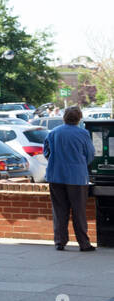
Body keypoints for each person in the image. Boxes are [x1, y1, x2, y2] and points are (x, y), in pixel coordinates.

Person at [43, 106, 96, 251]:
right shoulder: (83, 133)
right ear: (79, 118)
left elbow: (46, 152)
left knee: (59, 210)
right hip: (77, 177)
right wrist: (81, 164)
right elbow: (90, 154)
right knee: (78, 211)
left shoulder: (53, 133)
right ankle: (83, 243)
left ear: (64, 117)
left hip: (55, 175)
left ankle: (60, 242)